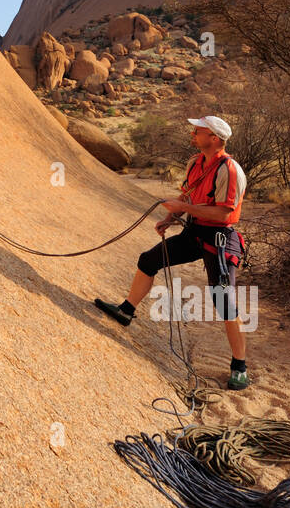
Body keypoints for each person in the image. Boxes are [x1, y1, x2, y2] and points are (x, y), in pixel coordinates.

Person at [94, 115, 250, 390]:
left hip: (219, 238)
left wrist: (183, 209)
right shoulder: (195, 162)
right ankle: (126, 310)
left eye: (198, 131)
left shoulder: (230, 170)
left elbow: (224, 214)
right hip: (194, 231)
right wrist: (170, 218)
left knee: (224, 299)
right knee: (148, 260)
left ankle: (240, 366)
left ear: (214, 138)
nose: (193, 134)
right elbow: (187, 196)